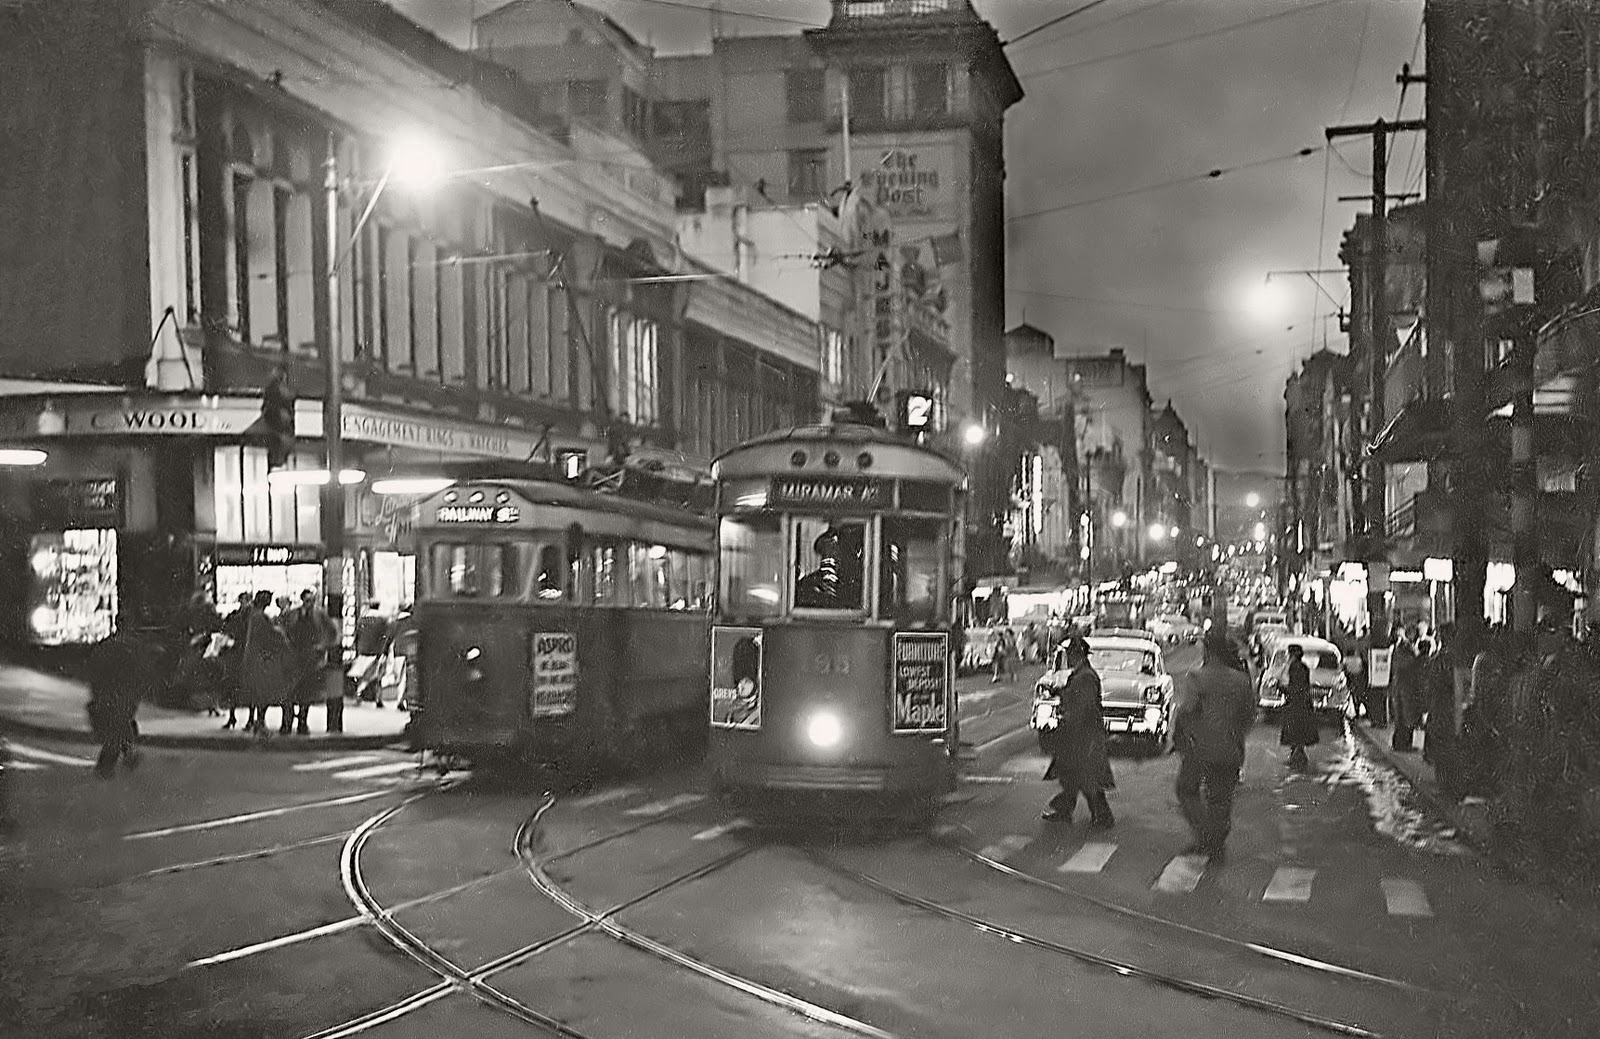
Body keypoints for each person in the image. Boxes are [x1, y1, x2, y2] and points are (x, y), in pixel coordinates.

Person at [1170, 629, 1256, 859]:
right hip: (1230, 748)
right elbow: (1249, 716)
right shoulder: (1240, 681)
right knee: (1220, 798)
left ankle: (1206, 835)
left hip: (1201, 748)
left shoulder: (1197, 678)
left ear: (1208, 651)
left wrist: (1179, 738)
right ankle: (1216, 841)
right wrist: (1236, 734)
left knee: (1186, 789)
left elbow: (1186, 712)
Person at [1040, 635, 1115, 827]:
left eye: (1070, 654)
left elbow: (1084, 707)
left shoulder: (1086, 677)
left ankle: (1103, 816)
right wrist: (1059, 692)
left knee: (1085, 777)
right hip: (1079, 735)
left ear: (1077, 655)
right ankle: (1067, 811)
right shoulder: (1081, 674)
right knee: (1073, 776)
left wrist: (1069, 722)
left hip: (1083, 736)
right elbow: (1074, 696)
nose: (1069, 658)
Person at [85, 627, 155, 778]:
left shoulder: (112, 647)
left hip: (110, 692)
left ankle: (124, 757)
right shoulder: (132, 651)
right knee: (119, 729)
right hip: (117, 693)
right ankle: (108, 766)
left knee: (120, 726)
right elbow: (138, 676)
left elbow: (95, 669)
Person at [285, 589, 338, 735]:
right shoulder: (293, 614)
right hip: (295, 656)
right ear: (302, 600)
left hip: (311, 657)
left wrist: (322, 646)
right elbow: (285, 630)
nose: (310, 603)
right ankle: (288, 721)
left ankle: (302, 721)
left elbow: (332, 631)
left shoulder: (319, 615)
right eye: (307, 600)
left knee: (306, 691)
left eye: (312, 600)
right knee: (291, 690)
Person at [239, 590, 292, 738]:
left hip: (254, 658)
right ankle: (260, 723)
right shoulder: (260, 617)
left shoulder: (255, 616)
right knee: (266, 692)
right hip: (261, 661)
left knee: (260, 693)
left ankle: (259, 723)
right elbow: (271, 636)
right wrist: (280, 634)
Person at [1279, 642, 1318, 771]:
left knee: (1295, 730)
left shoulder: (1294, 667)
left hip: (1296, 703)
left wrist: (1283, 689)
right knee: (1299, 730)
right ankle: (1297, 754)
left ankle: (1297, 756)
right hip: (1303, 702)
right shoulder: (1303, 667)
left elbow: (1295, 687)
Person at [217, 592, 252, 729]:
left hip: (244, 654)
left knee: (246, 687)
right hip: (238, 654)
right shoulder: (238, 616)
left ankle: (248, 719)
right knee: (233, 686)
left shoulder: (249, 617)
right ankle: (233, 716)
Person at [351, 602, 393, 704]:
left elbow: (357, 634)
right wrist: (385, 650)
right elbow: (386, 636)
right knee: (377, 676)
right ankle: (378, 698)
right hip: (376, 651)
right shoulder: (382, 620)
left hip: (363, 650)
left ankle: (359, 694)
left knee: (363, 675)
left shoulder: (362, 619)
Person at [1390, 628, 1423, 752]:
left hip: (1402, 688)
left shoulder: (1401, 649)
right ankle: (1402, 744)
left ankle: (1402, 744)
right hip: (1404, 689)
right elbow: (1407, 665)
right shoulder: (1405, 650)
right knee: (1405, 718)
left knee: (1404, 718)